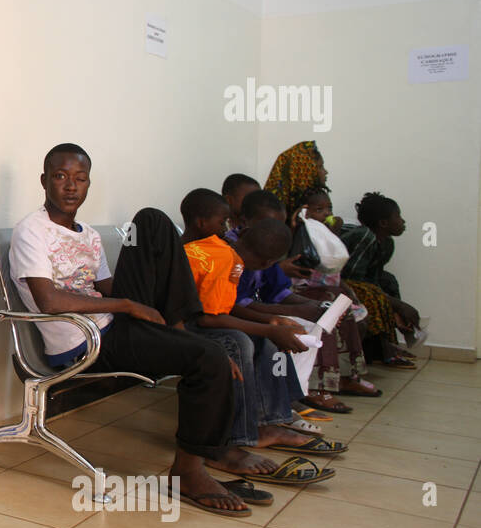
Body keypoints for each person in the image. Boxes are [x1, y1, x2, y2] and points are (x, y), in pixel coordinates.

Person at [10, 145, 274, 517]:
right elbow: (49, 300)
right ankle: (188, 471)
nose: (71, 186)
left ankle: (182, 326)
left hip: (116, 325)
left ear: (88, 185)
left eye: (80, 178)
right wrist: (129, 305)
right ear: (44, 181)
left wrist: (145, 288)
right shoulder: (31, 231)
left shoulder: (88, 235)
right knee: (210, 357)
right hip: (86, 342)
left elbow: (106, 287)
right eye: (60, 176)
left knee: (151, 222)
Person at [179, 188, 342, 474]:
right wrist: (266, 328)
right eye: (222, 223)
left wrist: (271, 325)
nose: (225, 228)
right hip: (181, 326)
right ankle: (237, 438)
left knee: (263, 341)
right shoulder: (224, 261)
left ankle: (268, 423)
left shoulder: (229, 257)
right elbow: (208, 319)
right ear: (269, 264)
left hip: (198, 320)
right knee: (241, 342)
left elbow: (224, 308)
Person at [232, 189, 377, 412]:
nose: (277, 231)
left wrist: (310, 307)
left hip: (257, 310)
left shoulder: (267, 250)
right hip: (240, 316)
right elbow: (235, 305)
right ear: (246, 222)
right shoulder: (237, 253)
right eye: (268, 224)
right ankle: (292, 399)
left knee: (318, 316)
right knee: (289, 330)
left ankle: (297, 394)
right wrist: (287, 315)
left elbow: (279, 291)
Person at [339, 191, 420, 368]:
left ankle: (391, 342)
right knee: (371, 293)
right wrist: (398, 305)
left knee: (388, 281)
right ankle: (383, 348)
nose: (403, 221)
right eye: (398, 216)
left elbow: (374, 277)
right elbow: (352, 278)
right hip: (339, 280)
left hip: (359, 280)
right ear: (383, 223)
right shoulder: (364, 237)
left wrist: (393, 308)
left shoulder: (387, 243)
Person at [264, 140, 329, 280]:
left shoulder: (315, 207)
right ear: (304, 171)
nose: (325, 172)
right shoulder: (272, 213)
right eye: (320, 167)